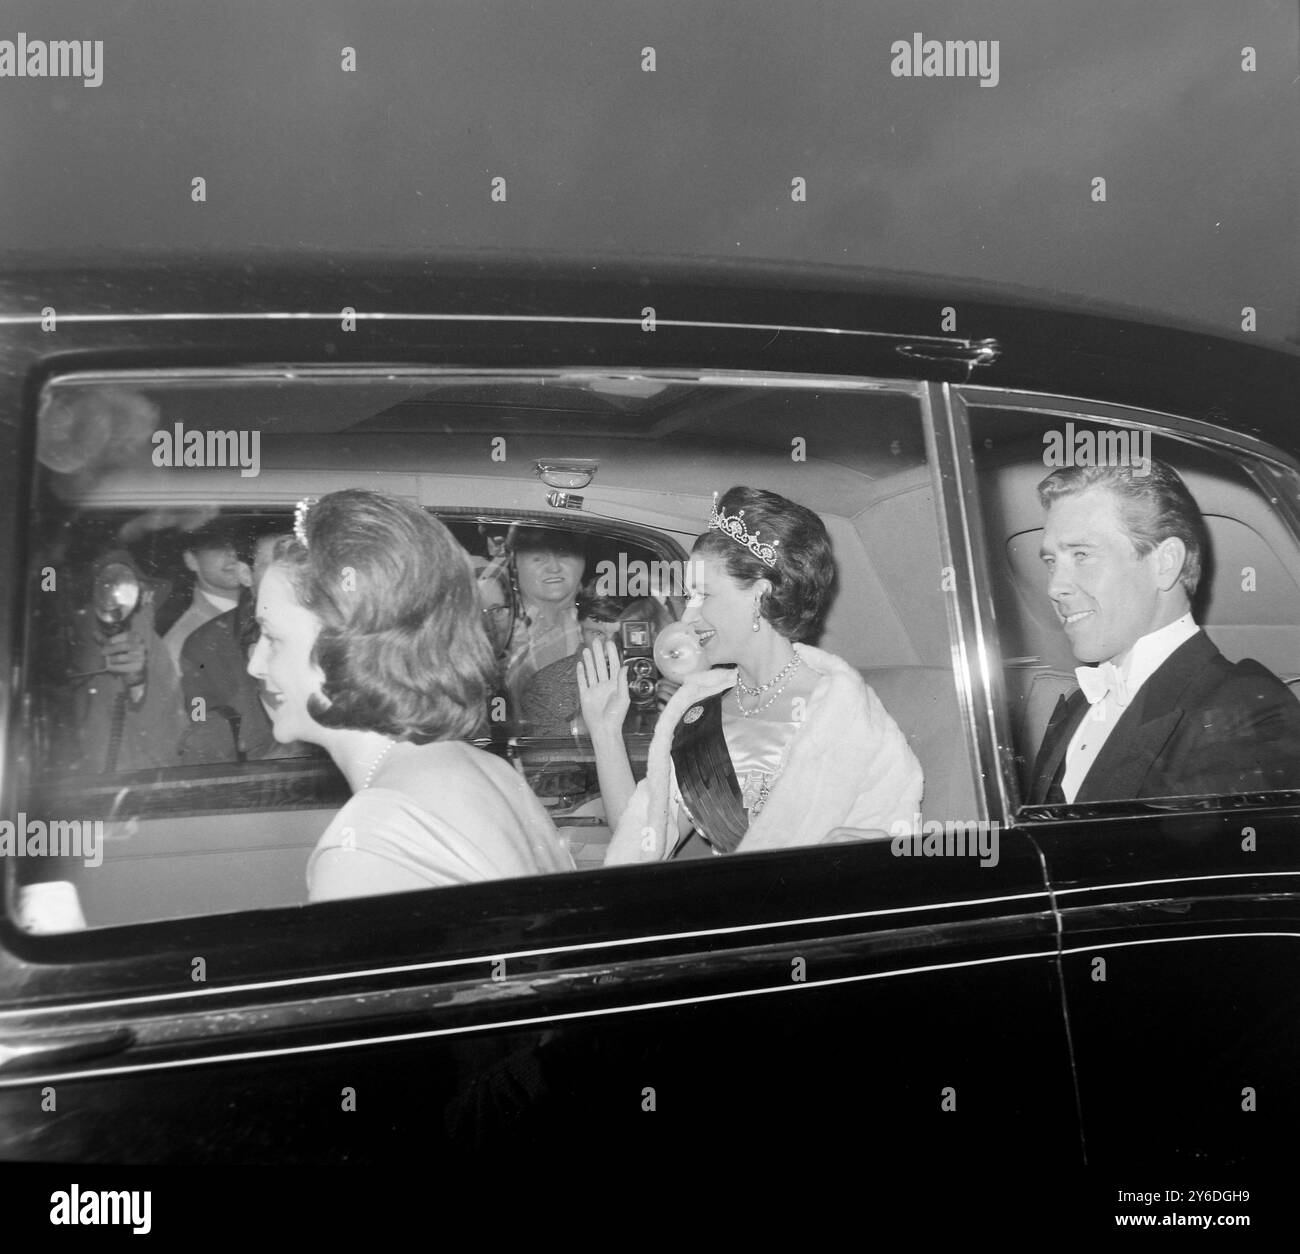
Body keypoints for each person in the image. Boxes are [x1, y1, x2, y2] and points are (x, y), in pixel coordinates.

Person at [246, 490, 573, 901]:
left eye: (273, 638)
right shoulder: (484, 767)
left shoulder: (370, 844)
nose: (255, 665)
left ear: (350, 646)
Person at [578, 486, 923, 860]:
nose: (688, 617)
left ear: (759, 595)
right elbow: (642, 845)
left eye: (703, 595)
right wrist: (606, 731)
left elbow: (896, 856)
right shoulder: (697, 712)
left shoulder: (848, 712)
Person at [1026, 459, 1300, 803]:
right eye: (1051, 562)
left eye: (1082, 554)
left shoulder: (1247, 710)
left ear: (1165, 562)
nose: (1054, 587)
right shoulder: (1082, 702)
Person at [42, 548, 188, 774]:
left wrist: (138, 683)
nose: (133, 605)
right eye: (113, 591)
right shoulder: (76, 651)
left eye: (139, 594)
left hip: (149, 785)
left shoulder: (154, 646)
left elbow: (174, 734)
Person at [180, 527, 311, 762]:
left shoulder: (327, 629)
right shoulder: (203, 645)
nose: (293, 576)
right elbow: (198, 711)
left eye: (299, 562)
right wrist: (210, 728)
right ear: (245, 574)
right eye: (277, 565)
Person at [520, 589, 669, 736]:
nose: (609, 646)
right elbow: (536, 751)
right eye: (597, 634)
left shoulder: (666, 676)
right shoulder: (546, 687)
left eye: (621, 635)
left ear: (649, 631)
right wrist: (587, 723)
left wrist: (671, 713)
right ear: (579, 630)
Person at [502, 527, 586, 713]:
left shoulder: (600, 625)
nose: (554, 567)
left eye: (563, 555)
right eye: (538, 558)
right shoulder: (499, 629)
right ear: (513, 565)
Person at [162, 523, 249, 672]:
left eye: (237, 544)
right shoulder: (181, 640)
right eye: (217, 546)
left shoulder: (264, 611)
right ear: (192, 561)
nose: (233, 553)